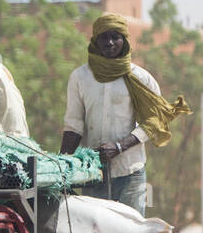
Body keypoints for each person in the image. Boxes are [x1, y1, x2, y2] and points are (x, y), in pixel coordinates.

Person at [60, 13, 190, 217]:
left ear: (125, 40)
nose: (110, 42)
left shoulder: (140, 78)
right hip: (93, 172)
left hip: (131, 173)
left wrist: (120, 147)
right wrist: (62, 168)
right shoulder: (80, 77)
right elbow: (73, 126)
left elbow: (155, 121)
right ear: (95, 41)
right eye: (104, 37)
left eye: (115, 37)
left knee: (131, 232)